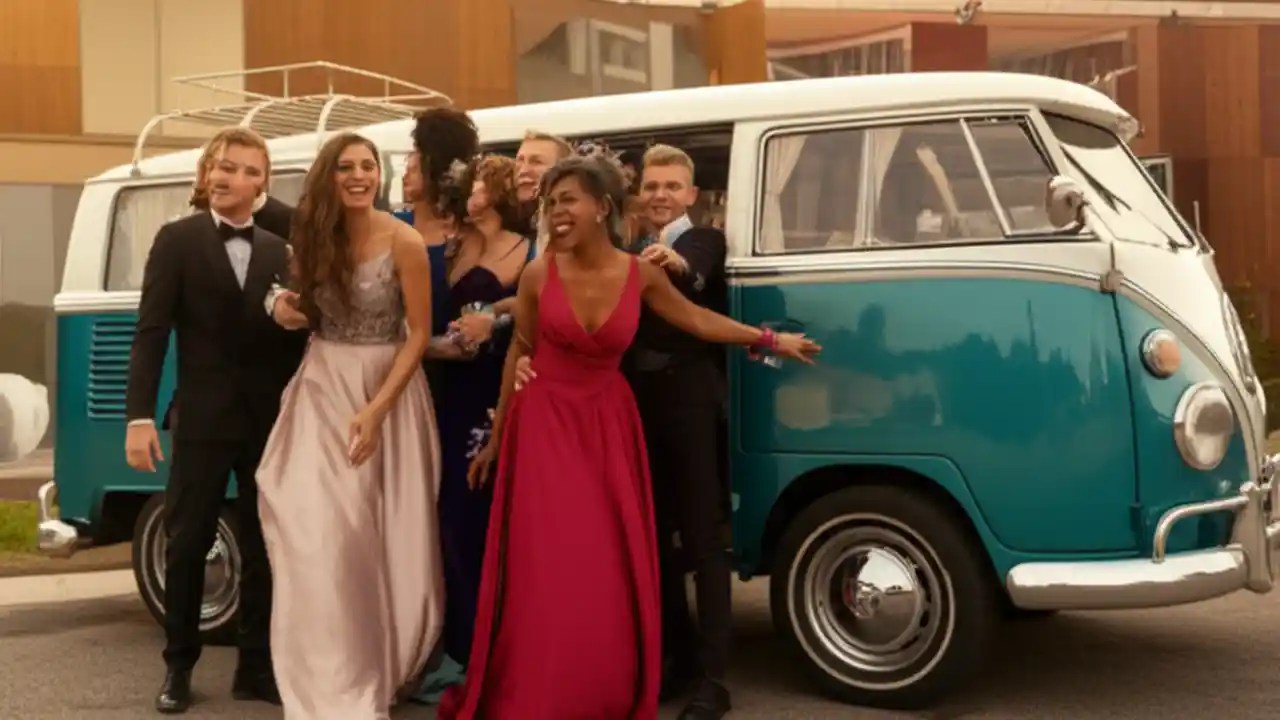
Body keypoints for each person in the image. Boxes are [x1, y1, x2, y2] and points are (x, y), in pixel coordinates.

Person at [438, 152, 819, 720]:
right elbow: (521, 347)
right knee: (549, 560)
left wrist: (767, 339)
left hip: (608, 425)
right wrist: (497, 434)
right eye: (550, 202)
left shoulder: (640, 272)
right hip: (544, 424)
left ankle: (595, 681)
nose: (556, 211)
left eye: (568, 199)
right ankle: (542, 683)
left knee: (600, 559)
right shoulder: (541, 273)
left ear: (602, 208)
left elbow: (697, 320)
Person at [258, 132, 443, 720]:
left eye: (368, 166)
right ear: (329, 176)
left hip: (385, 390)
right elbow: (299, 304)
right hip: (320, 386)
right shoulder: (312, 235)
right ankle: (322, 668)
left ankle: (375, 665)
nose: (359, 175)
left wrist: (376, 409)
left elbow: (418, 334)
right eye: (347, 167)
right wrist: (279, 306)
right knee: (310, 528)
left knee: (372, 536)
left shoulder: (405, 239)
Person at [123, 127, 306, 714]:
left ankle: (256, 667)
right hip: (201, 418)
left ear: (264, 184)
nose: (232, 178)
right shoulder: (175, 240)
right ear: (206, 173)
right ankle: (178, 666)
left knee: (263, 544)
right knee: (188, 543)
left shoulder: (283, 248)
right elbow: (151, 334)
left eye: (250, 170)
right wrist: (138, 417)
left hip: (267, 420)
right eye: (224, 167)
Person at [631, 144, 734, 719]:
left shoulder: (703, 241)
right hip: (640, 407)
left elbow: (693, 269)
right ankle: (677, 661)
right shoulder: (627, 249)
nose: (661, 195)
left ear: (691, 195)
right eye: (652, 186)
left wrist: (672, 266)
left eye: (672, 186)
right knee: (657, 541)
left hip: (691, 405)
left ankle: (715, 680)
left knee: (702, 541)